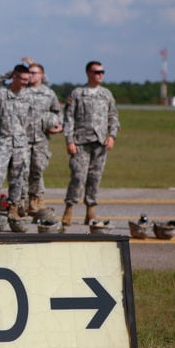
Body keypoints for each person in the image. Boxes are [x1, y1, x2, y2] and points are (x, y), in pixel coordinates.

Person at [62, 61, 120, 226]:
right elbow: (69, 118)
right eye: (96, 72)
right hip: (80, 142)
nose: (100, 75)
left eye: (102, 72)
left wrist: (112, 136)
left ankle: (91, 211)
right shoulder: (77, 93)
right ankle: (69, 208)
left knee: (95, 177)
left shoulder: (106, 94)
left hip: (99, 143)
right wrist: (69, 140)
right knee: (78, 176)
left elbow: (113, 116)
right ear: (88, 73)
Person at [0, 65, 32, 218]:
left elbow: (30, 120)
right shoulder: (0, 94)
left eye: (27, 80)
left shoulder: (28, 96)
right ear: (14, 77)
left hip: (20, 143)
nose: (25, 83)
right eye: (22, 79)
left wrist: (23, 136)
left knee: (18, 177)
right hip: (3, 141)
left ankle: (14, 206)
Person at [23, 61, 63, 213]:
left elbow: (57, 112)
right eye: (29, 72)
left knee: (38, 169)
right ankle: (22, 200)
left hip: (41, 138)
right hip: (22, 138)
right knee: (22, 170)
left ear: (42, 75)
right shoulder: (21, 91)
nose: (31, 75)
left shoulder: (49, 93)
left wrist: (58, 126)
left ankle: (36, 199)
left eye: (34, 73)